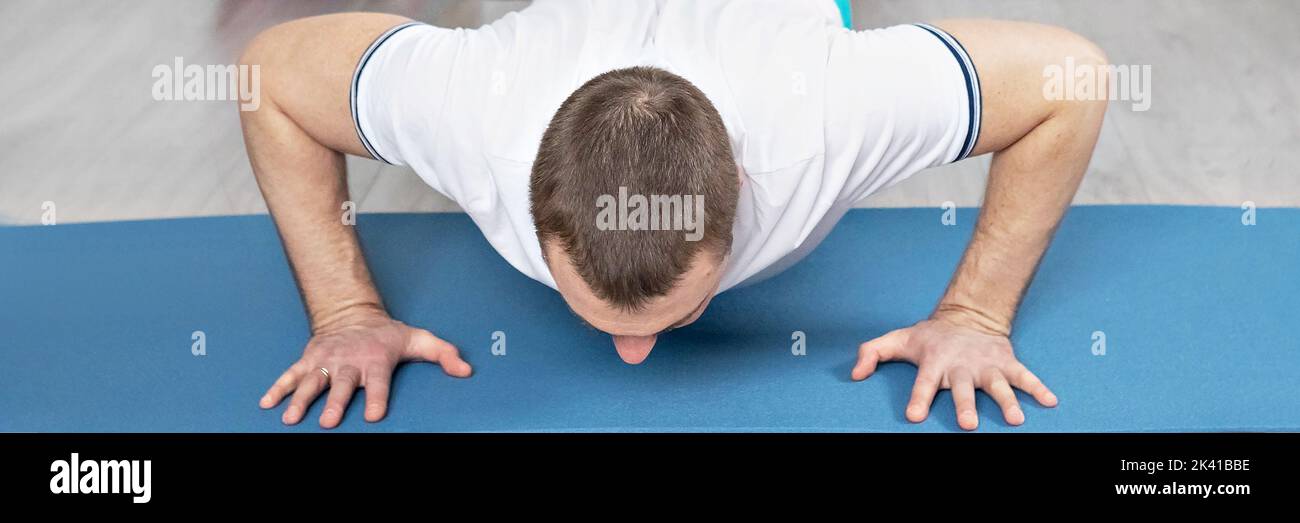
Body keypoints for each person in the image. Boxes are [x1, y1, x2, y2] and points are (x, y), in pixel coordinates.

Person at [238, 0, 1109, 430]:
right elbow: (270, 74)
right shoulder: (473, 114)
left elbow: (1070, 81)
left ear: (746, 188)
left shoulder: (826, 116)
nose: (634, 356)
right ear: (524, 195)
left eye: (683, 309)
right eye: (590, 310)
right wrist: (344, 312)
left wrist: (975, 315)